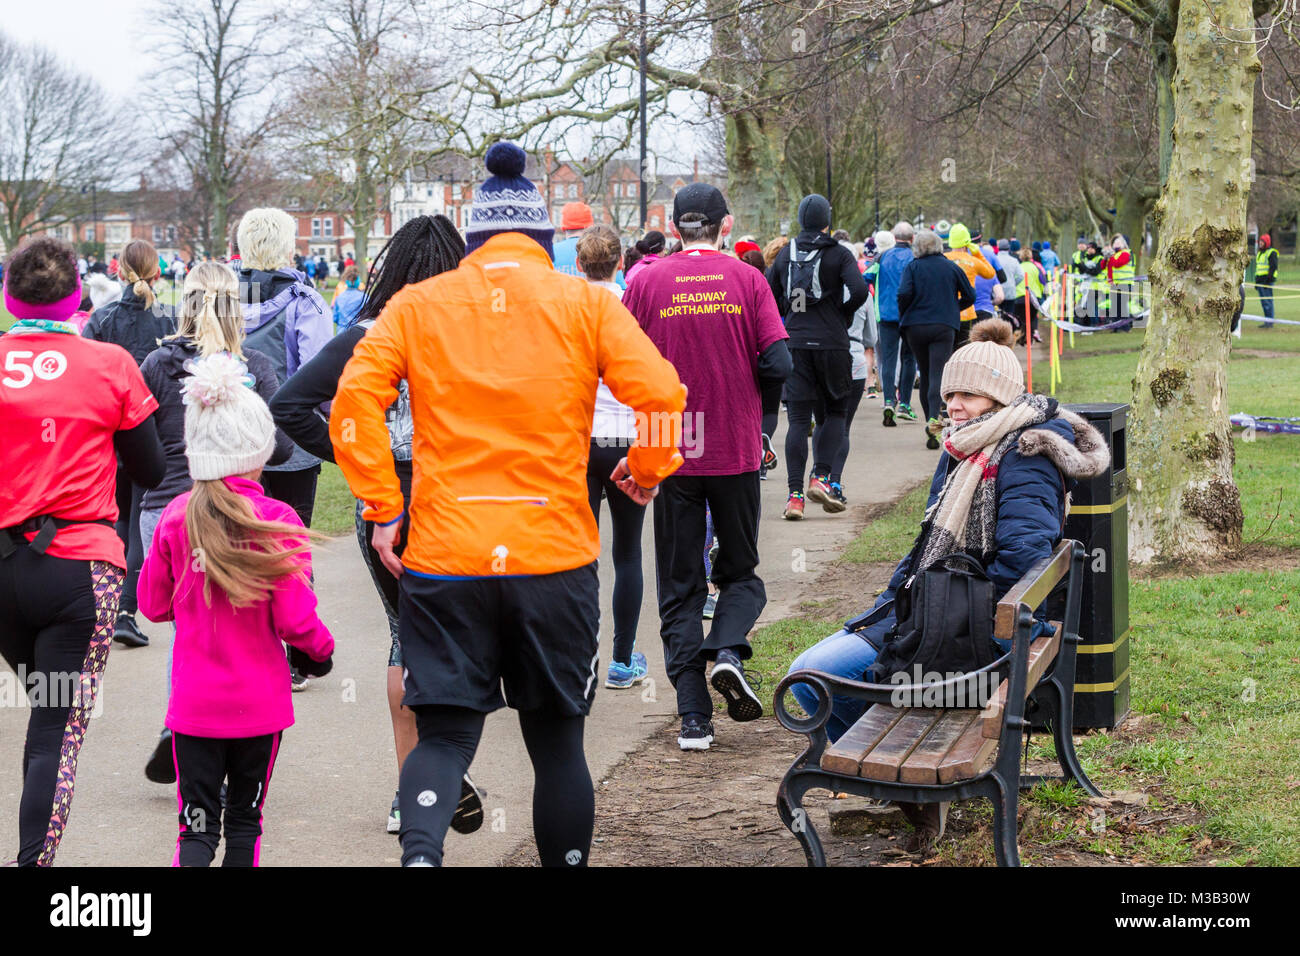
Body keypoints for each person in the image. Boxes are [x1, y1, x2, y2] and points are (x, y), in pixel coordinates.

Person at [329, 142, 687, 866]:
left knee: (445, 737)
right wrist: (646, 470)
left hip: (446, 552)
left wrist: (381, 505)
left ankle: (422, 856)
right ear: (544, 238)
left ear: (474, 240)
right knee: (557, 743)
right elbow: (663, 395)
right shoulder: (584, 303)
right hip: (551, 552)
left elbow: (350, 405)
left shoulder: (416, 305)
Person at [786, 317, 1109, 846]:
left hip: (980, 629)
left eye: (968, 395)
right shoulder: (970, 444)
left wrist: (937, 614)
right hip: (936, 610)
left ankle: (907, 791)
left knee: (812, 677)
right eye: (949, 393)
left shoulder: (1024, 455)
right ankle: (903, 791)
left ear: (999, 398)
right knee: (808, 674)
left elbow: (1023, 566)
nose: (953, 405)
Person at [270, 214, 486, 836]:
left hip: (384, 497)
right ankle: (446, 758)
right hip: (457, 496)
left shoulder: (369, 333)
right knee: (464, 631)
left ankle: (409, 791)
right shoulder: (472, 329)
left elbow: (290, 403)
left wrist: (359, 458)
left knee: (404, 630)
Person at [0, 237, 165, 866]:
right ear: (77, 295)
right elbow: (149, 469)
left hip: (5, 567)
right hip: (79, 569)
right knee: (53, 729)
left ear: (10, 297)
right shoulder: (111, 364)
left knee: (42, 702)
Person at [137, 353, 334, 866]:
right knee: (245, 821)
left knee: (195, 828)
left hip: (194, 707)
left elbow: (153, 606)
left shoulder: (177, 517)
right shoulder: (277, 520)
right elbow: (296, 619)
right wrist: (320, 653)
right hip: (259, 706)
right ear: (258, 451)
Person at [623, 180, 790, 751]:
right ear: (726, 224)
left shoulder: (645, 281)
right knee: (741, 574)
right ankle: (726, 651)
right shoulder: (748, 279)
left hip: (670, 452)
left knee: (679, 586)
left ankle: (694, 718)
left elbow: (623, 364)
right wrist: (756, 408)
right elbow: (780, 361)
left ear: (674, 227)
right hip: (735, 450)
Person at [136, 261, 295, 784]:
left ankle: (181, 724)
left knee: (188, 625)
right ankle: (235, 734)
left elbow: (137, 439)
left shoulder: (157, 363)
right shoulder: (257, 366)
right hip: (237, 508)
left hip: (169, 506)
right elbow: (278, 445)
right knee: (237, 623)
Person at [81, 239, 177, 649]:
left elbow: (85, 377)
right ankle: (123, 610)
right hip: (150, 432)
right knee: (136, 522)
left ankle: (110, 610)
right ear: (157, 272)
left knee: (116, 523)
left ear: (119, 272)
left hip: (108, 431)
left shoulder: (101, 319)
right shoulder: (169, 318)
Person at [573, 225, 653, 690]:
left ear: (579, 265)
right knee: (627, 552)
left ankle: (580, 657)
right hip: (625, 441)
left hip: (580, 441)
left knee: (580, 554)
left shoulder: (563, 311)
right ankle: (623, 661)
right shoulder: (633, 309)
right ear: (621, 262)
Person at [766, 194, 868, 519]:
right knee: (835, 414)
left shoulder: (785, 255)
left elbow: (770, 295)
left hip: (795, 343)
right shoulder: (839, 253)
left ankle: (794, 497)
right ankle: (821, 477)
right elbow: (861, 289)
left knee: (797, 421)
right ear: (827, 221)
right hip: (833, 343)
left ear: (800, 220)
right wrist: (840, 312)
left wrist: (790, 311)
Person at [897, 229, 975, 450]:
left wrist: (906, 312)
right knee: (938, 372)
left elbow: (903, 294)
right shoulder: (951, 267)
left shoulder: (912, 267)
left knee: (925, 371)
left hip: (915, 325)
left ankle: (930, 420)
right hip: (943, 326)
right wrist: (953, 309)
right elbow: (970, 295)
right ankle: (935, 420)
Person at [875, 221, 920, 427]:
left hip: (886, 313)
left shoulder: (883, 256)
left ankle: (888, 402)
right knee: (909, 358)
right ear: (912, 239)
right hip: (910, 314)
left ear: (894, 237)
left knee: (888, 359)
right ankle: (905, 404)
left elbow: (867, 275)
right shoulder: (915, 257)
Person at [944, 223, 999, 349]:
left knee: (947, 350)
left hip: (946, 312)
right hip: (966, 312)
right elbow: (990, 273)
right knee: (962, 349)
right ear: (967, 242)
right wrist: (978, 254)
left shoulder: (944, 259)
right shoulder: (973, 261)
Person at [552, 201, 595, 277]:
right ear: (590, 226)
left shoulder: (550, 252)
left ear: (564, 227)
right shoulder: (602, 251)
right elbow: (621, 287)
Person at [1255, 233, 1278, 329]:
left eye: (1262, 242)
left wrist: (1267, 281)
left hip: (1266, 282)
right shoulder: (1260, 253)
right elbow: (1258, 268)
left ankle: (1270, 322)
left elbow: (1273, 267)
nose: (1260, 243)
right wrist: (1256, 283)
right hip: (1260, 282)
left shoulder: (1272, 252)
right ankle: (1267, 321)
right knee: (1264, 303)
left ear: (1266, 242)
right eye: (1260, 241)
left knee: (1268, 302)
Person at [332, 265, 365, 330]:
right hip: (358, 330)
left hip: (342, 330)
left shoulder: (340, 286)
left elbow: (335, 314)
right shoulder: (362, 290)